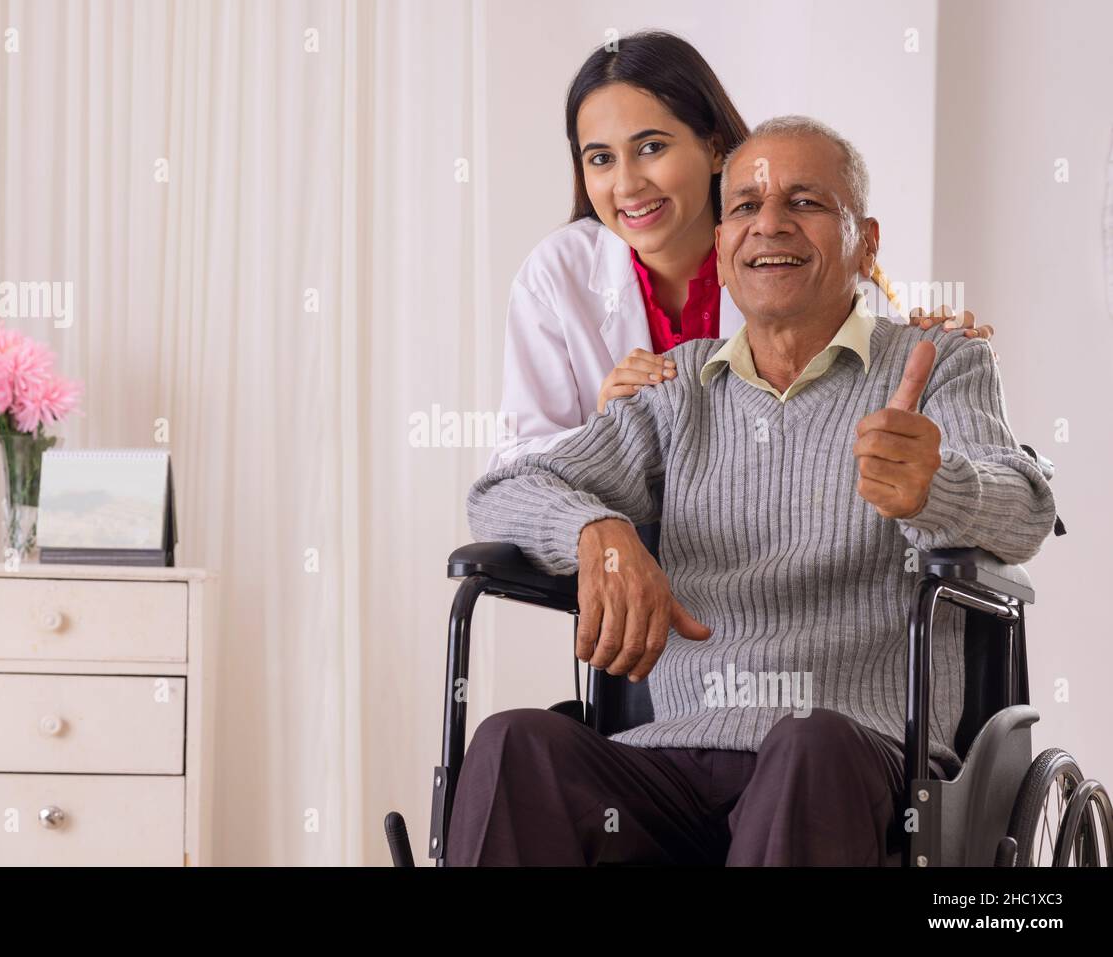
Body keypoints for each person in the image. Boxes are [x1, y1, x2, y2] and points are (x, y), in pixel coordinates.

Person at [447, 116, 1056, 866]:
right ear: (723, 248)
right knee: (516, 743)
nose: (770, 222)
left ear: (865, 242)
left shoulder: (938, 364)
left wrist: (940, 489)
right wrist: (596, 531)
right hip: (674, 755)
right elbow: (503, 489)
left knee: (807, 741)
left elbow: (1026, 507)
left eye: (804, 202)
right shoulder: (676, 390)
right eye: (743, 206)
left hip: (853, 754)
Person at [491, 30, 994, 472]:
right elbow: (511, 466)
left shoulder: (794, 253)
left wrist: (933, 349)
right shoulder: (556, 273)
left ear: (714, 149)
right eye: (601, 158)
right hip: (625, 550)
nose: (627, 184)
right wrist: (605, 427)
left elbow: (877, 405)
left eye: (651, 148)